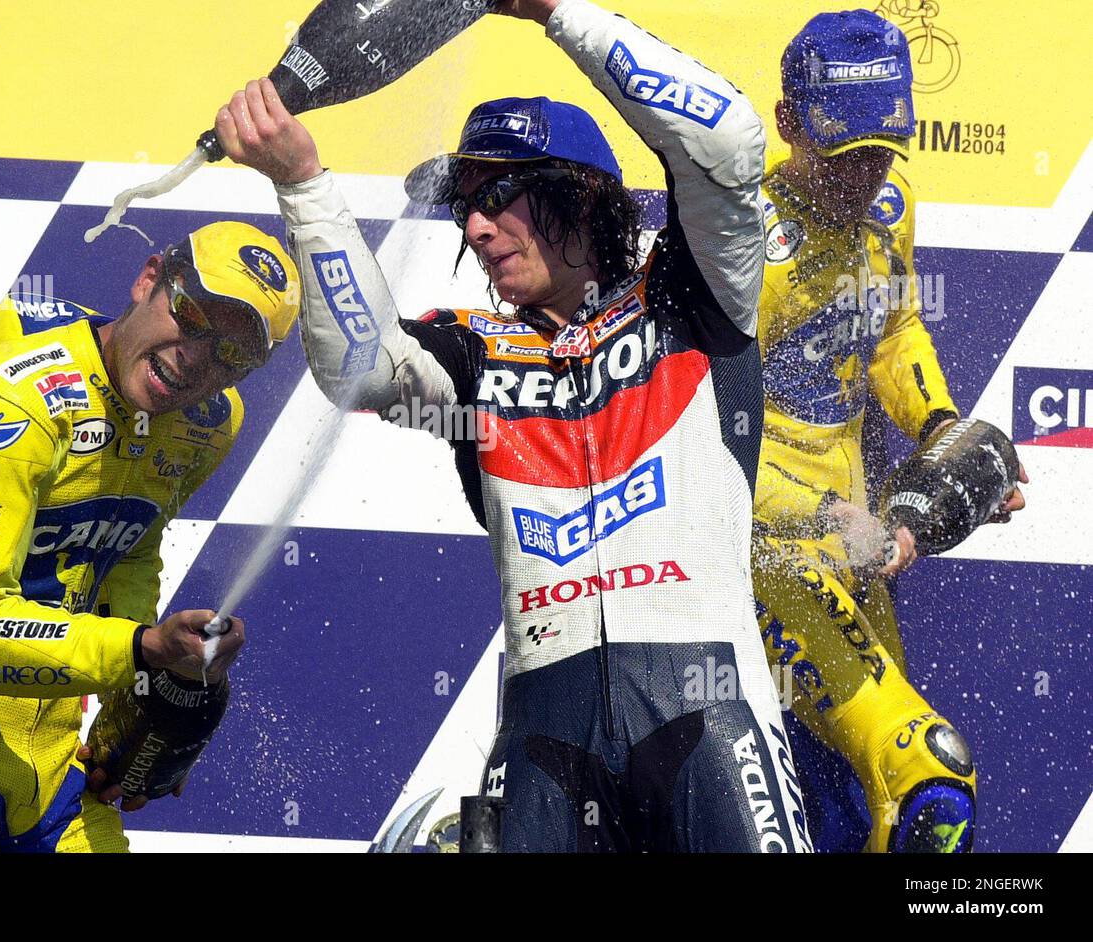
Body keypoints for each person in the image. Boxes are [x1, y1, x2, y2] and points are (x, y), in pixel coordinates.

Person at [221, 0, 811, 852]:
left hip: (706, 705)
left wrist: (554, 12)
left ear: (581, 195)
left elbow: (729, 141)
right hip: (543, 733)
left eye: (497, 193)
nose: (474, 224)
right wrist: (303, 181)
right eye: (464, 204)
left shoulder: (692, 293)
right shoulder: (475, 354)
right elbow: (360, 366)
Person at [0, 221, 299, 852]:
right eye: (191, 316)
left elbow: (130, 553)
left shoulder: (210, 424)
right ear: (148, 279)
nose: (197, 358)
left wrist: (140, 718)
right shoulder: (5, 401)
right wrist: (141, 648)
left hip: (56, 767)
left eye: (232, 354)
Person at [751, 10, 1027, 852]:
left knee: (874, 805)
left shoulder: (888, 200)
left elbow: (896, 328)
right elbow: (695, 423)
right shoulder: (742, 234)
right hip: (758, 540)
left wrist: (942, 434)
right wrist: (819, 518)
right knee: (878, 771)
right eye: (844, 157)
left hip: (865, 528)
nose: (864, 175)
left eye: (881, 151)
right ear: (789, 123)